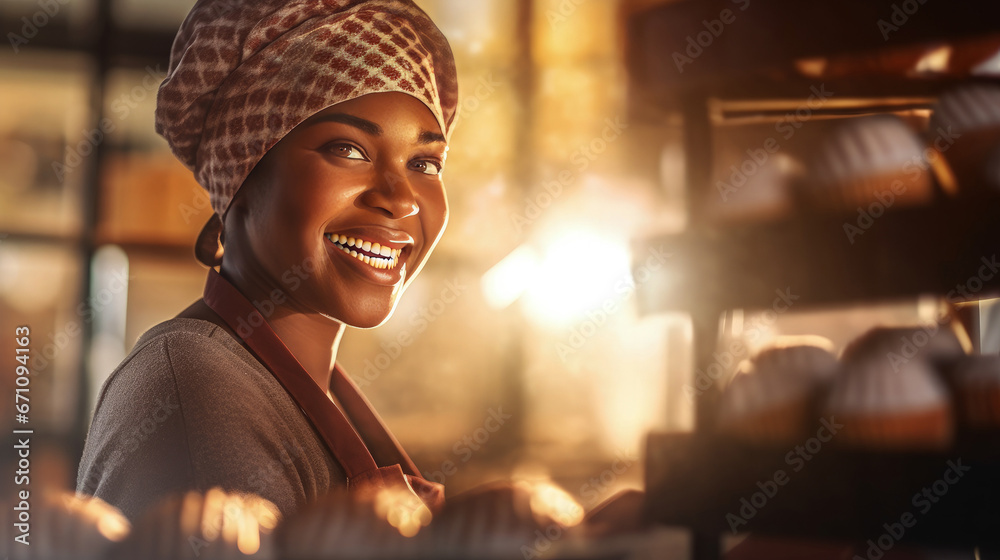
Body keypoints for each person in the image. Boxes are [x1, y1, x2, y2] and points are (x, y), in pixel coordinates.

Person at [76, 0, 458, 523]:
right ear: (241, 183)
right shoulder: (199, 388)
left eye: (424, 163)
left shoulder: (301, 384)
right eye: (348, 150)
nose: (402, 199)